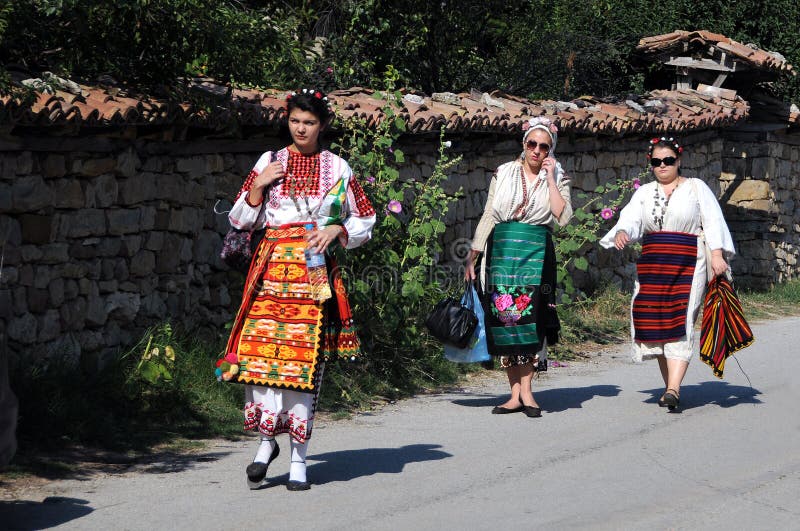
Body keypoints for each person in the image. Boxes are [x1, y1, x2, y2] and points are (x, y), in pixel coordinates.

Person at [223, 88, 376, 490]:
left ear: (322, 125)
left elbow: (366, 217)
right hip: (270, 270)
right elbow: (240, 218)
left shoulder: (338, 167)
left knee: (303, 364)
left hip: (312, 275)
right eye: (295, 121)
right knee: (259, 357)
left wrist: (336, 228)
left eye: (309, 122)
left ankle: (298, 461)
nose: (301, 128)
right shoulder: (268, 161)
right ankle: (263, 444)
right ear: (287, 121)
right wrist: (259, 186)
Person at [600, 137, 735, 411]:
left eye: (668, 161)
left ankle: (673, 388)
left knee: (682, 318)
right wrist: (623, 233)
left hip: (688, 260)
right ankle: (670, 387)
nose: (662, 166)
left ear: (679, 161)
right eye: (656, 161)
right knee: (658, 320)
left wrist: (717, 255)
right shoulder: (645, 192)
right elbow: (631, 219)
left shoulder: (697, 188)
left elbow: (712, 221)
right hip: (654, 263)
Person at [465, 116, 572, 418]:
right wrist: (473, 255)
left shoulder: (558, 178)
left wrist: (550, 179)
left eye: (544, 147)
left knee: (532, 320)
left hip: (536, 255)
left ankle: (528, 392)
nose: (537, 150)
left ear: (551, 151)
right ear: (523, 145)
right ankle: (514, 394)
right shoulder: (503, 172)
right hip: (502, 253)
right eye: (532, 144)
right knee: (505, 319)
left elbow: (562, 217)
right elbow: (489, 214)